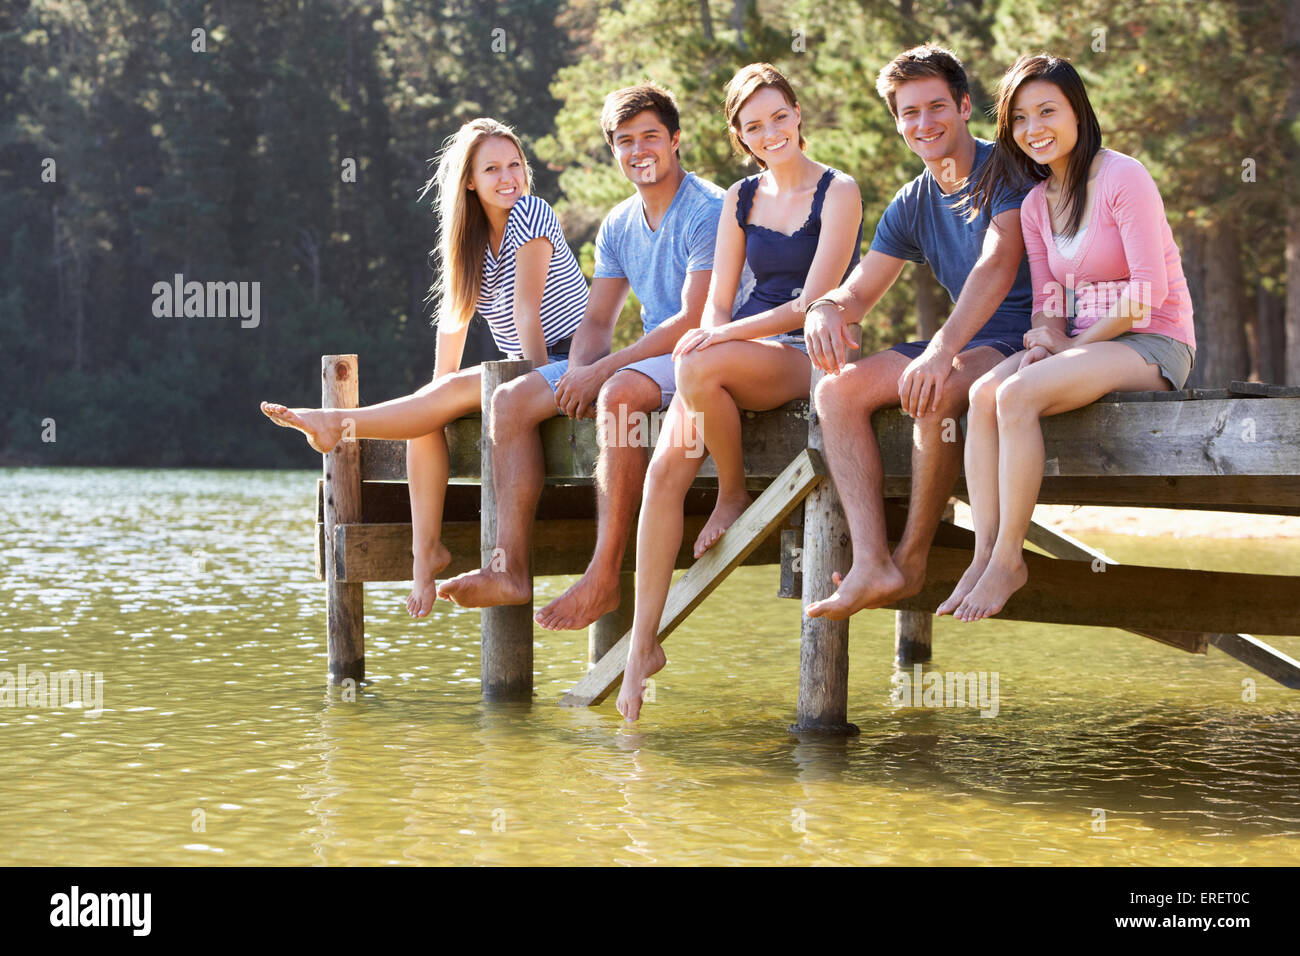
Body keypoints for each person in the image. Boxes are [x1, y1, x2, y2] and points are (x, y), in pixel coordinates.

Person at [259, 118, 588, 617]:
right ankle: (425, 556)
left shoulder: (532, 212)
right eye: (493, 168)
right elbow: (453, 322)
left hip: (567, 363)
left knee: (437, 399)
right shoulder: (471, 239)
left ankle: (337, 423)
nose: (509, 178)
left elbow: (526, 311)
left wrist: (541, 388)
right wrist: (433, 395)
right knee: (424, 416)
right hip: (519, 369)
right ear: (470, 181)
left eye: (515, 165)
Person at [617, 63, 863, 721]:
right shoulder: (739, 198)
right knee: (663, 472)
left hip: (804, 353)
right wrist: (712, 336)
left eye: (779, 117)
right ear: (739, 135)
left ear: (798, 113)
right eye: (754, 126)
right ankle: (642, 645)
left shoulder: (838, 191)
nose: (770, 132)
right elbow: (717, 301)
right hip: (736, 354)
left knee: (696, 365)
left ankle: (730, 494)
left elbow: (813, 298)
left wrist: (715, 342)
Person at [436, 84, 730, 630]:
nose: (638, 150)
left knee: (617, 393)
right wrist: (575, 374)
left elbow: (692, 319)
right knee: (510, 400)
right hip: (654, 357)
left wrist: (601, 371)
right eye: (625, 141)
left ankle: (602, 577)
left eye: (650, 137)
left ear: (676, 140)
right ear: (613, 151)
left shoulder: (707, 209)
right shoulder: (618, 223)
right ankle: (508, 569)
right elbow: (596, 322)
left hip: (709, 351)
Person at [938, 53, 1196, 622]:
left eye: (1047, 111)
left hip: (1152, 341)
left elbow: (1146, 293)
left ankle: (1010, 559)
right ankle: (983, 555)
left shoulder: (1123, 177)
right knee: (984, 394)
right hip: (1083, 346)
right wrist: (1044, 337)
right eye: (1020, 119)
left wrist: (1068, 347)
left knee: (1016, 395)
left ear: (1078, 111)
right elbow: (1050, 295)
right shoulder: (1034, 204)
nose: (1035, 129)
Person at [801, 44, 1034, 620]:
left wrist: (940, 350)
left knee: (931, 393)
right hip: (962, 341)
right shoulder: (913, 201)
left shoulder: (1008, 168)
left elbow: (998, 264)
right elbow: (861, 289)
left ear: (963, 105)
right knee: (835, 391)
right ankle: (871, 561)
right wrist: (826, 308)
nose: (923, 123)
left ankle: (911, 561)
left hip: (1026, 338)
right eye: (909, 112)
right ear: (898, 121)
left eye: (936, 107)